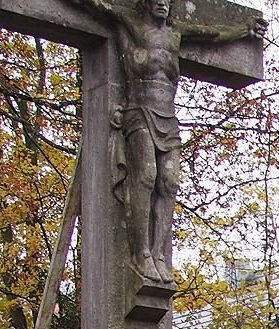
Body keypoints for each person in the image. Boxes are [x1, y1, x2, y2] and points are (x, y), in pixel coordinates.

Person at [70, 0, 265, 281]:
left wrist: (246, 30)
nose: (163, 2)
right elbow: (95, 6)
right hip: (139, 112)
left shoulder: (176, 32)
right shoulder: (130, 22)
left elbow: (214, 35)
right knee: (146, 176)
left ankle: (159, 254)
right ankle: (141, 254)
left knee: (170, 181)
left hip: (168, 117)